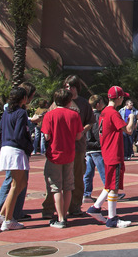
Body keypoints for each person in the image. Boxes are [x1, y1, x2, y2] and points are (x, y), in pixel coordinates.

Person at [41, 75, 95, 219]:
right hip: (57, 148)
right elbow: (49, 121)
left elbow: (90, 121)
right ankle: (49, 208)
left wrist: (82, 131)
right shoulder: (56, 104)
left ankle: (74, 206)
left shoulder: (83, 104)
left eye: (71, 86)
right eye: (66, 86)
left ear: (77, 87)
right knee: (53, 181)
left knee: (76, 178)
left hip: (77, 147)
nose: (68, 89)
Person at [86, 86, 135, 228]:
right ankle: (112, 218)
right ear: (119, 98)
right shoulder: (113, 113)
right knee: (114, 186)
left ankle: (95, 207)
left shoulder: (104, 112)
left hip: (107, 152)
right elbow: (129, 130)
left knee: (109, 184)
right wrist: (131, 117)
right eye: (122, 97)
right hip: (114, 153)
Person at [0, 82, 36, 228]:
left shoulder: (6, 112)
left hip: (7, 148)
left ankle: (2, 214)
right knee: (16, 185)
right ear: (23, 98)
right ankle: (8, 220)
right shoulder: (21, 113)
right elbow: (19, 134)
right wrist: (28, 146)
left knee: (20, 184)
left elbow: (0, 132)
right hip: (16, 150)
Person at [42, 88, 84, 228]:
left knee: (55, 187)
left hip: (54, 154)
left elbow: (47, 136)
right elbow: (79, 136)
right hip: (69, 153)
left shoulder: (50, 115)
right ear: (69, 100)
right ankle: (64, 215)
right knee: (68, 186)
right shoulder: (74, 115)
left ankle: (60, 218)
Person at [83, 95, 107, 201]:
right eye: (102, 102)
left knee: (88, 172)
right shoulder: (97, 116)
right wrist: (101, 143)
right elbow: (98, 132)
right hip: (96, 148)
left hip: (88, 147)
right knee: (104, 171)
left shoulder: (87, 115)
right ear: (98, 104)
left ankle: (86, 193)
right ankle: (110, 191)